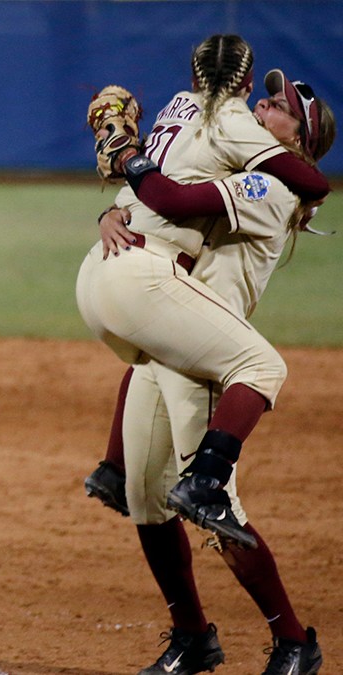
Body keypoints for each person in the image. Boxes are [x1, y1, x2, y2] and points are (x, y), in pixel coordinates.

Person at [79, 61, 333, 674]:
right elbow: (159, 210)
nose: (265, 108)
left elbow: (174, 197)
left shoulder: (271, 186)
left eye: (280, 110)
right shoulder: (233, 160)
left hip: (207, 357)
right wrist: (112, 213)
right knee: (144, 501)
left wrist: (131, 163)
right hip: (171, 336)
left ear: (298, 141)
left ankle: (295, 642)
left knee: (218, 514)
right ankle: (193, 637)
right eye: (266, 100)